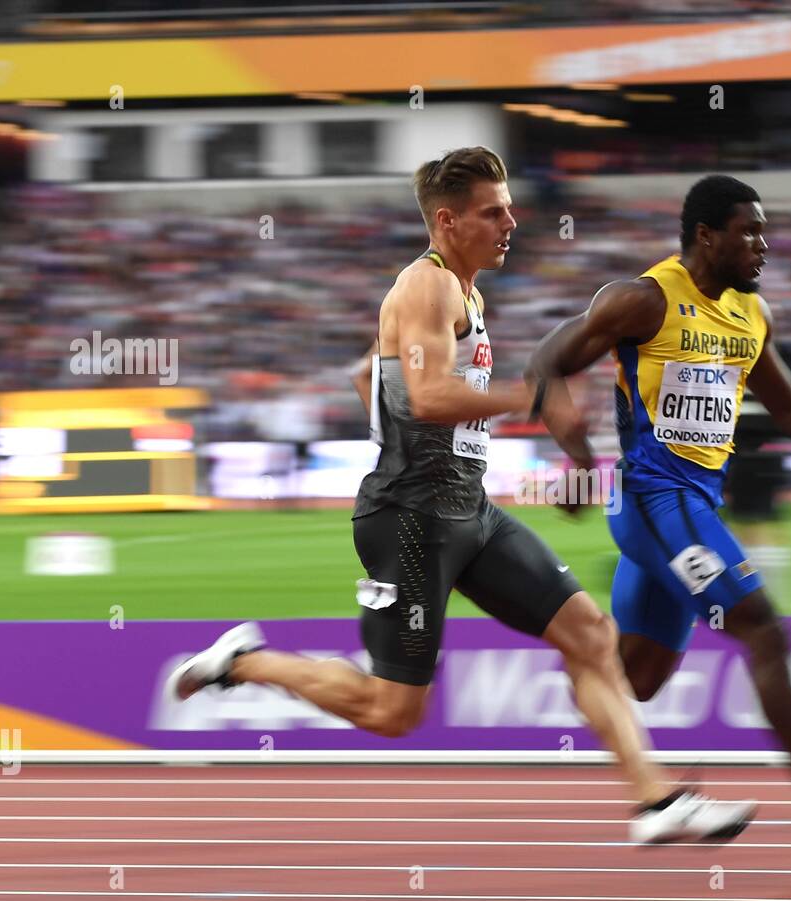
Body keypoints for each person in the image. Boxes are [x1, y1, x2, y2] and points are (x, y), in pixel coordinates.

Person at [168, 147, 755, 846]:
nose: (512, 221)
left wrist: (400, 434)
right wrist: (528, 394)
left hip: (468, 512)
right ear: (447, 222)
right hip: (411, 524)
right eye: (494, 212)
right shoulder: (427, 288)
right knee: (393, 712)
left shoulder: (467, 293)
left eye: (508, 208)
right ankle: (244, 661)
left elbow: (371, 374)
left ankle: (656, 802)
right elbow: (427, 394)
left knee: (590, 635)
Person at [527, 174, 791, 858]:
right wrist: (578, 460)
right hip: (655, 500)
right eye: (750, 231)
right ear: (706, 236)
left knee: (639, 681)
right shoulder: (642, 300)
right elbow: (548, 360)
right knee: (763, 629)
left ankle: (655, 796)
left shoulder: (750, 314)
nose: (763, 246)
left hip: (693, 505)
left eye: (764, 232)